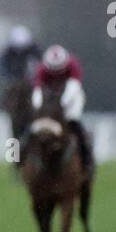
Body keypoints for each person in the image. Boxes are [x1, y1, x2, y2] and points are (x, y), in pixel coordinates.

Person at [31, 44, 93, 174]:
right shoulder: (41, 69)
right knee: (31, 129)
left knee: (74, 123)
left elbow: (74, 87)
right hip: (50, 99)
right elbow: (37, 91)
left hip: (71, 99)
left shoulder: (73, 65)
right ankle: (20, 158)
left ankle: (87, 160)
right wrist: (40, 109)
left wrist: (62, 104)